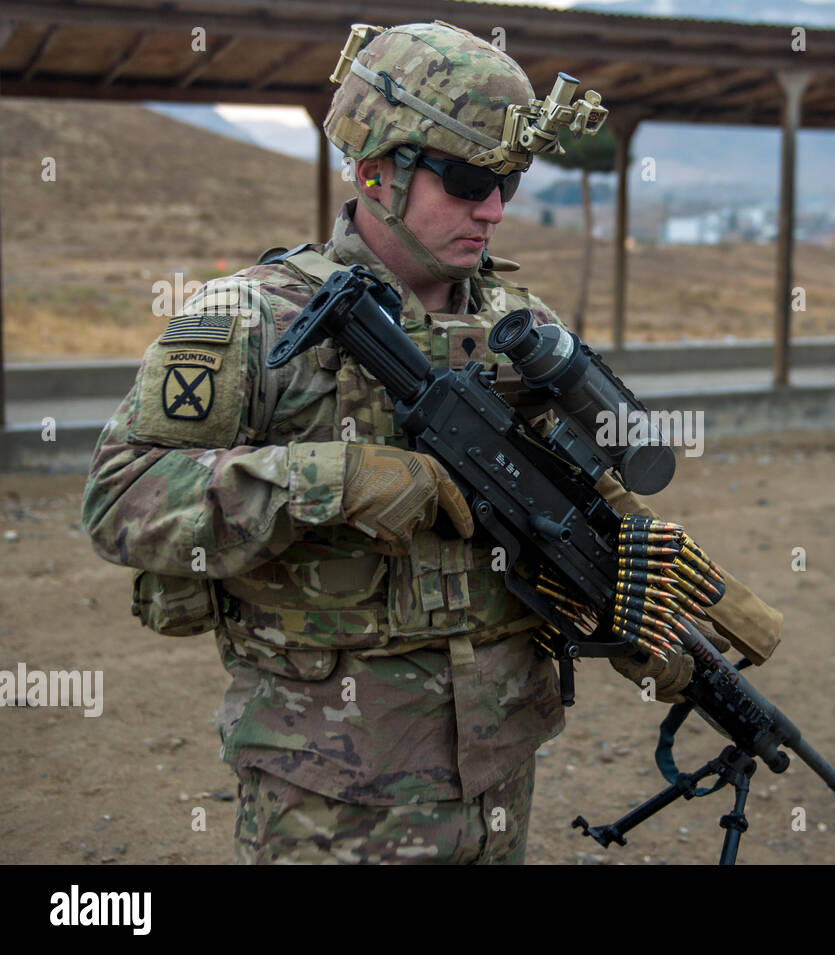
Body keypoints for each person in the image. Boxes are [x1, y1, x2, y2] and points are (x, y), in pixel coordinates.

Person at [82, 20, 780, 865]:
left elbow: (573, 512)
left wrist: (653, 622)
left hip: (496, 775)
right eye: (465, 179)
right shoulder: (247, 319)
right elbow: (121, 496)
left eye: (508, 184)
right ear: (378, 171)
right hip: (330, 786)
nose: (492, 208)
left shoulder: (519, 330)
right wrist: (332, 479)